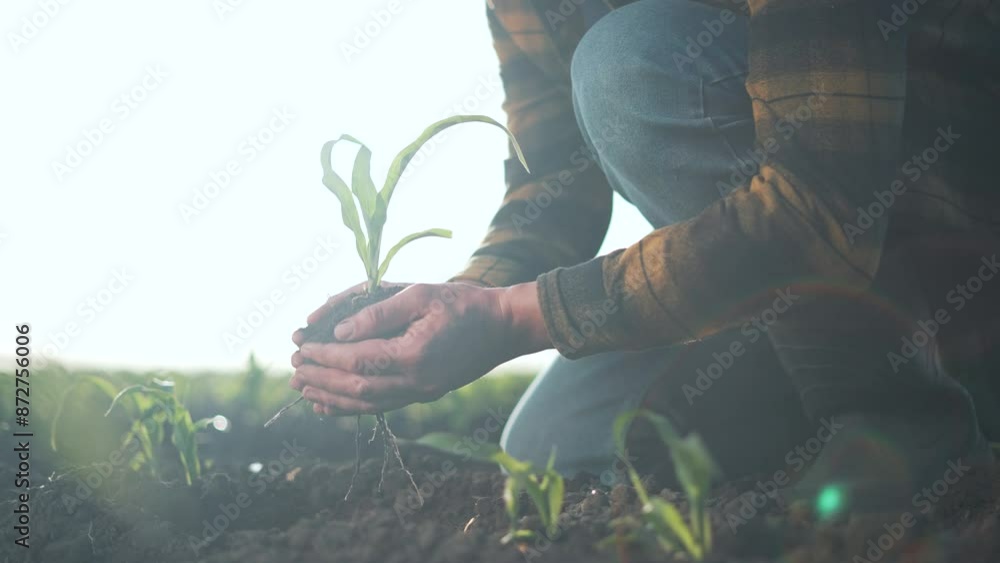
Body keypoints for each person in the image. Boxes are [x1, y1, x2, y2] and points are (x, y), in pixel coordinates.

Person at [291, 0, 1000, 511]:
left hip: (953, 245)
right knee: (556, 447)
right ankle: (825, 382)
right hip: (815, 288)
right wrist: (456, 301)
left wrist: (511, 320)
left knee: (627, 66)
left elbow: (820, 210)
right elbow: (553, 183)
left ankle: (910, 417)